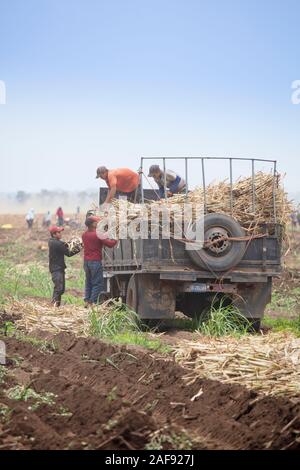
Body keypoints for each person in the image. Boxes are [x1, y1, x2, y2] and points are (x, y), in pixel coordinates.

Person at [82, 216, 117, 306]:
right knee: (98, 283)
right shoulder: (97, 234)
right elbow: (110, 244)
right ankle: (92, 302)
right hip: (95, 262)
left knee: (88, 281)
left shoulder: (84, 234)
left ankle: (87, 300)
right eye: (97, 222)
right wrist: (116, 238)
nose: (99, 223)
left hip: (86, 262)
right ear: (93, 224)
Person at [48, 226, 73, 307]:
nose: (60, 234)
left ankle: (55, 306)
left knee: (60, 289)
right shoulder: (56, 243)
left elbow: (64, 245)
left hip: (57, 268)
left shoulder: (53, 242)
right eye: (59, 232)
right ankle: (53, 306)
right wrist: (79, 247)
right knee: (59, 289)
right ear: (54, 234)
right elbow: (68, 253)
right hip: (57, 269)